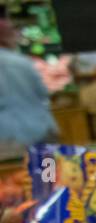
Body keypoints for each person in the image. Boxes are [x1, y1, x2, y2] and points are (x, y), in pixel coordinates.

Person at [0, 18, 57, 156]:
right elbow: (42, 93)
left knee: (14, 176)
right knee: (48, 175)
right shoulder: (22, 62)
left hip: (6, 139)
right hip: (40, 130)